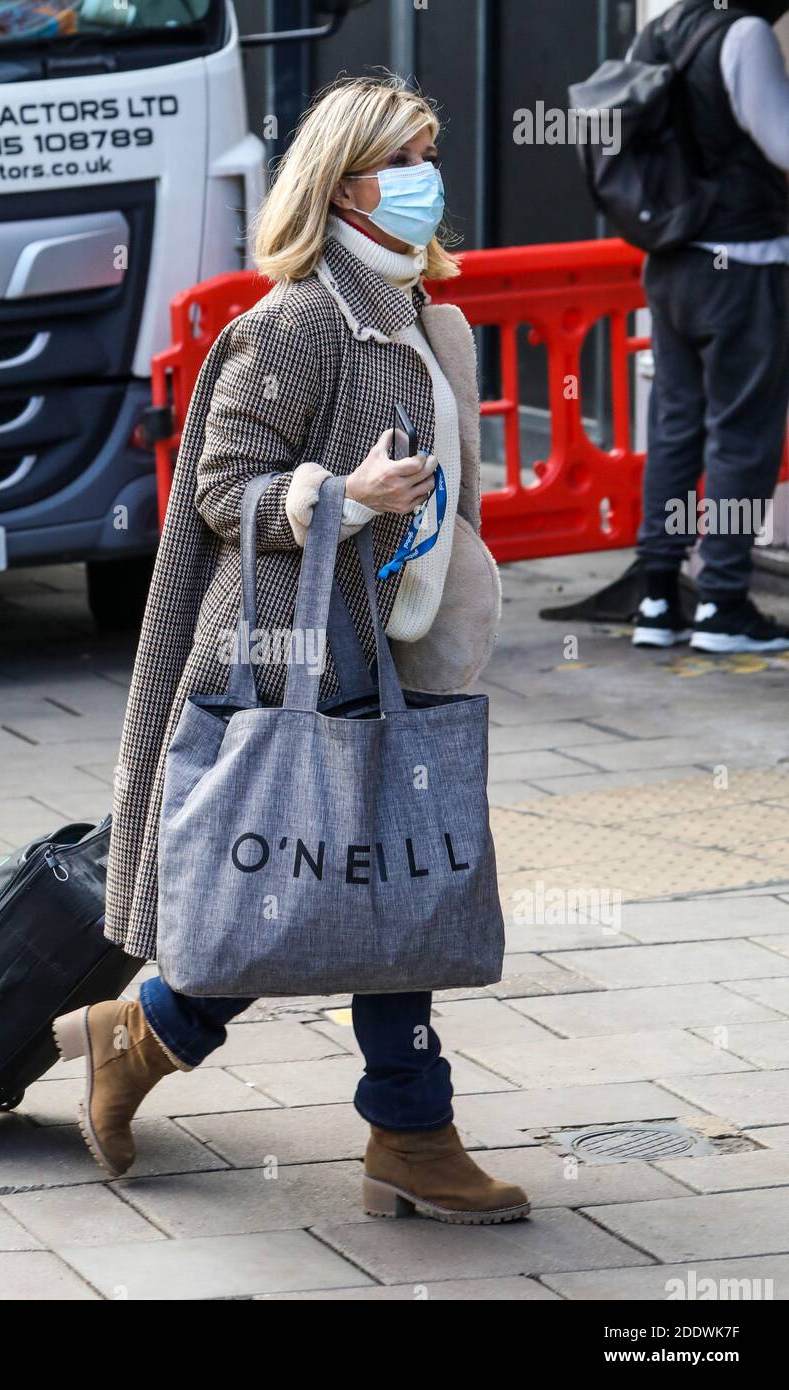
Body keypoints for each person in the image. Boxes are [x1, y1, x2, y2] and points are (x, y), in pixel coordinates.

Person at [55, 76, 528, 1225]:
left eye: (428, 155)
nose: (424, 179)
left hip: (383, 640)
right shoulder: (299, 320)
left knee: (362, 878)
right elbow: (221, 489)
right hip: (290, 644)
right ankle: (403, 1130)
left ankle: (154, 1037)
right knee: (332, 880)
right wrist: (343, 495)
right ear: (341, 185)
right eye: (400, 161)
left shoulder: (414, 309)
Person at [631, 0, 789, 651]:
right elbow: (781, 142)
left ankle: (658, 597)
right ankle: (722, 601)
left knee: (676, 426)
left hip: (671, 261)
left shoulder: (661, 29)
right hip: (743, 261)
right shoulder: (744, 33)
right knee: (743, 435)